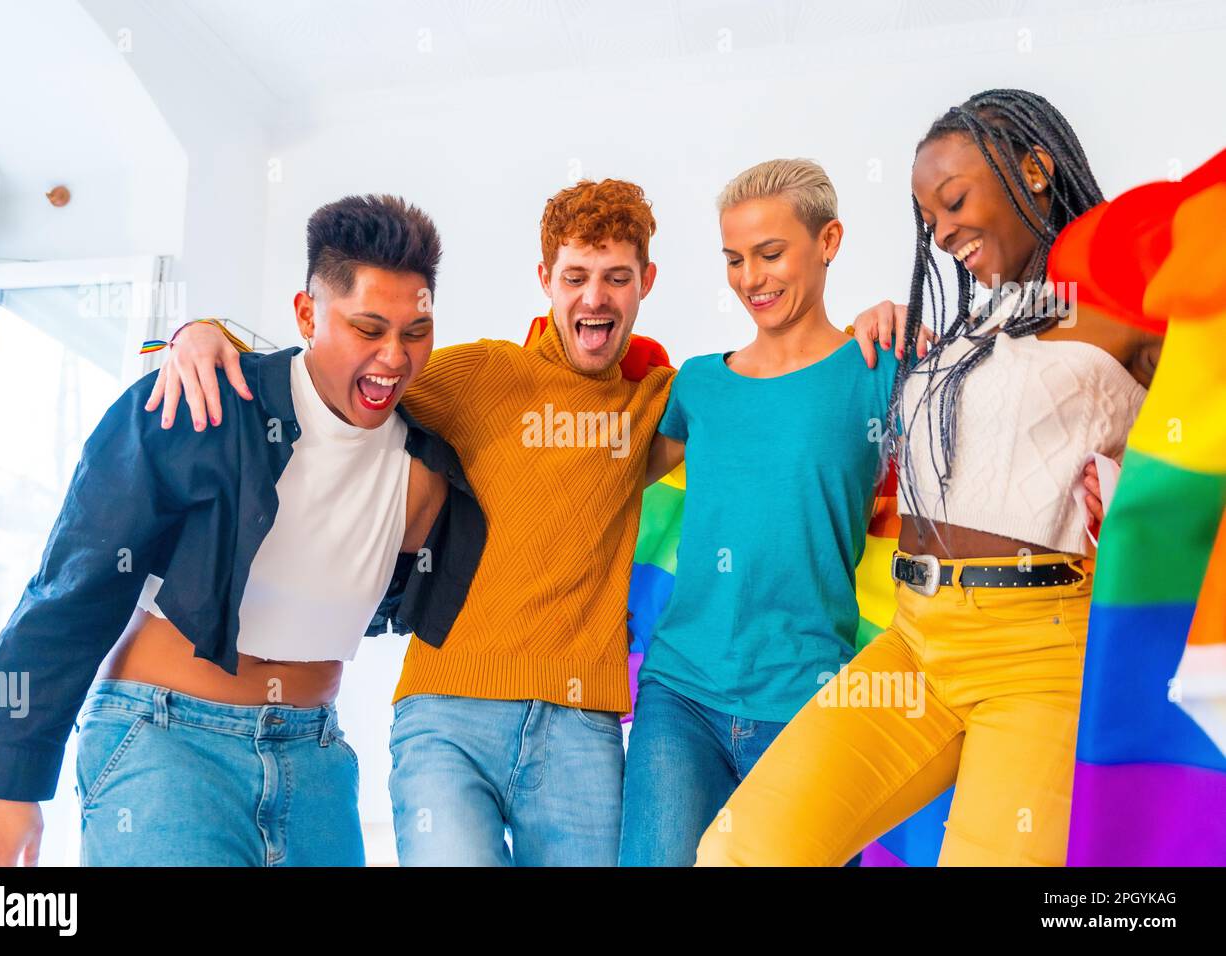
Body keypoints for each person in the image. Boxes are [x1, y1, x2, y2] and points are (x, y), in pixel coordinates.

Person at [151, 179, 676, 866]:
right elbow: (330, 383)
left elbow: (768, 387)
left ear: (647, 282)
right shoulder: (487, 373)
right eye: (575, 275)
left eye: (617, 278)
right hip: (447, 714)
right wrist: (200, 335)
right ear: (546, 280)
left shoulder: (656, 405)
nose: (595, 297)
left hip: (582, 728)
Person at [695, 89, 1157, 866]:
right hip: (913, 638)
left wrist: (1137, 493)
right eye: (928, 218)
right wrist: (884, 331)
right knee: (743, 850)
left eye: (953, 201)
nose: (941, 234)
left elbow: (1202, 442)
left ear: (1036, 170)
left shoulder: (1128, 309)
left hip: (1040, 652)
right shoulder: (973, 324)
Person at [0, 194, 483, 866]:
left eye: (415, 333)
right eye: (367, 327)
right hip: (166, 742)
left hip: (317, 758)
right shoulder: (203, 400)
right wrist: (9, 776)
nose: (394, 357)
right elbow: (75, 582)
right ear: (307, 314)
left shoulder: (427, 469)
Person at [620, 159, 895, 866]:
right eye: (735, 259)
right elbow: (604, 482)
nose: (751, 278)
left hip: (810, 700)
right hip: (680, 696)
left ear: (828, 240)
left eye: (770, 254)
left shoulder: (879, 373)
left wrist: (909, 317)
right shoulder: (700, 384)